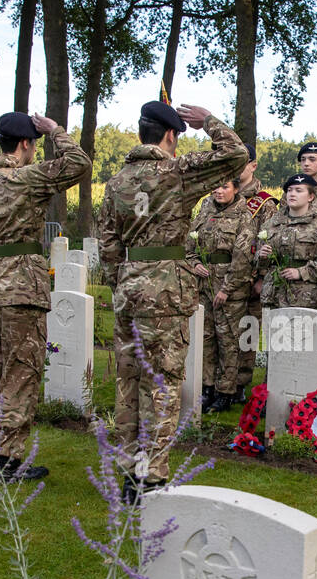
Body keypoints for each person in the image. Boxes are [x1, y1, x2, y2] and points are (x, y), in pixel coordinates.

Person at [99, 100, 248, 503]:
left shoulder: (116, 183)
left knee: (128, 381)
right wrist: (209, 123)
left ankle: (130, 466)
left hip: (130, 291)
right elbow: (236, 155)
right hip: (165, 291)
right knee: (162, 382)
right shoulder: (177, 172)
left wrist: (125, 282)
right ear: (169, 135)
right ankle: (151, 475)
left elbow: (108, 246)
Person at [0, 111, 90, 482]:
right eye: (34, 143)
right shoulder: (27, 178)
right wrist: (55, 131)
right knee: (22, 371)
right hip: (22, 290)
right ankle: (6, 459)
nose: (36, 149)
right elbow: (78, 164)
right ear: (25, 144)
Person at [185, 175, 257, 414]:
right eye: (215, 185)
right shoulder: (205, 209)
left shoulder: (243, 216)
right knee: (206, 339)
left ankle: (226, 392)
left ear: (236, 189)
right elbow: (189, 245)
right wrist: (194, 264)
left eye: (224, 186)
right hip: (204, 285)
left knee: (228, 341)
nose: (218, 190)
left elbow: (243, 257)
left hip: (230, 290)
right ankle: (207, 388)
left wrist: (227, 288)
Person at [256, 173, 317, 312]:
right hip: (274, 296)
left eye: (299, 191)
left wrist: (301, 272)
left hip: (305, 299)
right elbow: (259, 263)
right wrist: (262, 256)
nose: (292, 194)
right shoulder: (271, 224)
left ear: (311, 197)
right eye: (290, 190)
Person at [235, 145, 276, 401]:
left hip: (250, 279)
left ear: (253, 165)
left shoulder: (264, 203)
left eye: (243, 162)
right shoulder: (222, 195)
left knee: (246, 332)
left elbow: (267, 241)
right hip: (223, 276)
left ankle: (240, 382)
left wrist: (260, 277)